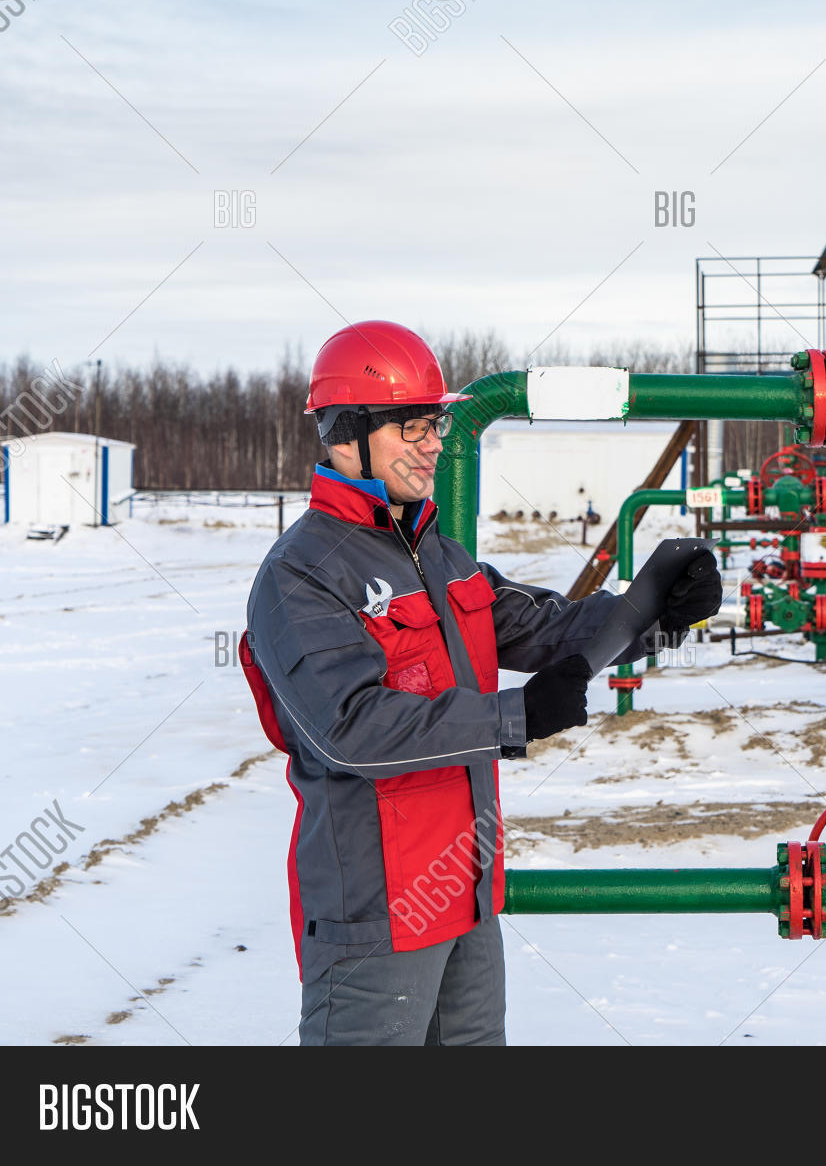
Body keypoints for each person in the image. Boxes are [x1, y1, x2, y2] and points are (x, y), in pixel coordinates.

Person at [239, 320, 721, 1045]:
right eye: (412, 426)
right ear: (346, 433)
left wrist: (656, 608)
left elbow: (548, 629)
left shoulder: (439, 555)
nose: (435, 442)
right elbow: (352, 729)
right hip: (375, 918)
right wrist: (516, 716)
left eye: (435, 423)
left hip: (466, 900)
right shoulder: (301, 574)